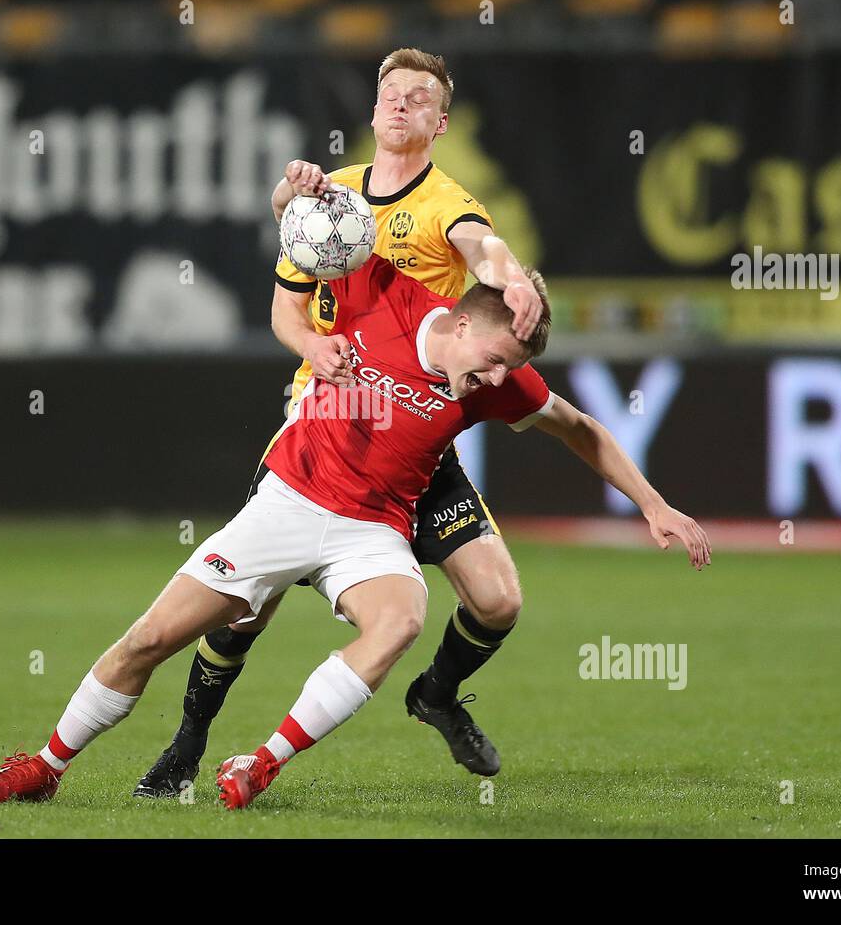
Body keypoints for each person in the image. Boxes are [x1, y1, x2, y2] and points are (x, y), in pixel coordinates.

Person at [0, 249, 711, 810]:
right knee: (152, 639)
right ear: (455, 323)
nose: (490, 384)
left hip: (372, 530)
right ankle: (47, 769)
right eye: (486, 364)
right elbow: (297, 252)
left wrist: (653, 504)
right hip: (288, 501)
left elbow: (577, 427)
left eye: (502, 372)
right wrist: (296, 196)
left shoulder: (496, 378)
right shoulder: (379, 287)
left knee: (402, 619)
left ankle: (261, 763)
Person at [135, 46, 550, 796]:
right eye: (390, 91)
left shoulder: (448, 203)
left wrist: (512, 278)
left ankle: (436, 696)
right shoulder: (336, 194)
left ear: (440, 121)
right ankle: (189, 739)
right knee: (243, 609)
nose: (400, 103)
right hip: (328, 416)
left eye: (419, 97)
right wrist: (285, 205)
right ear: (372, 109)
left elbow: (481, 247)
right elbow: (288, 291)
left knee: (497, 599)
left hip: (416, 428)